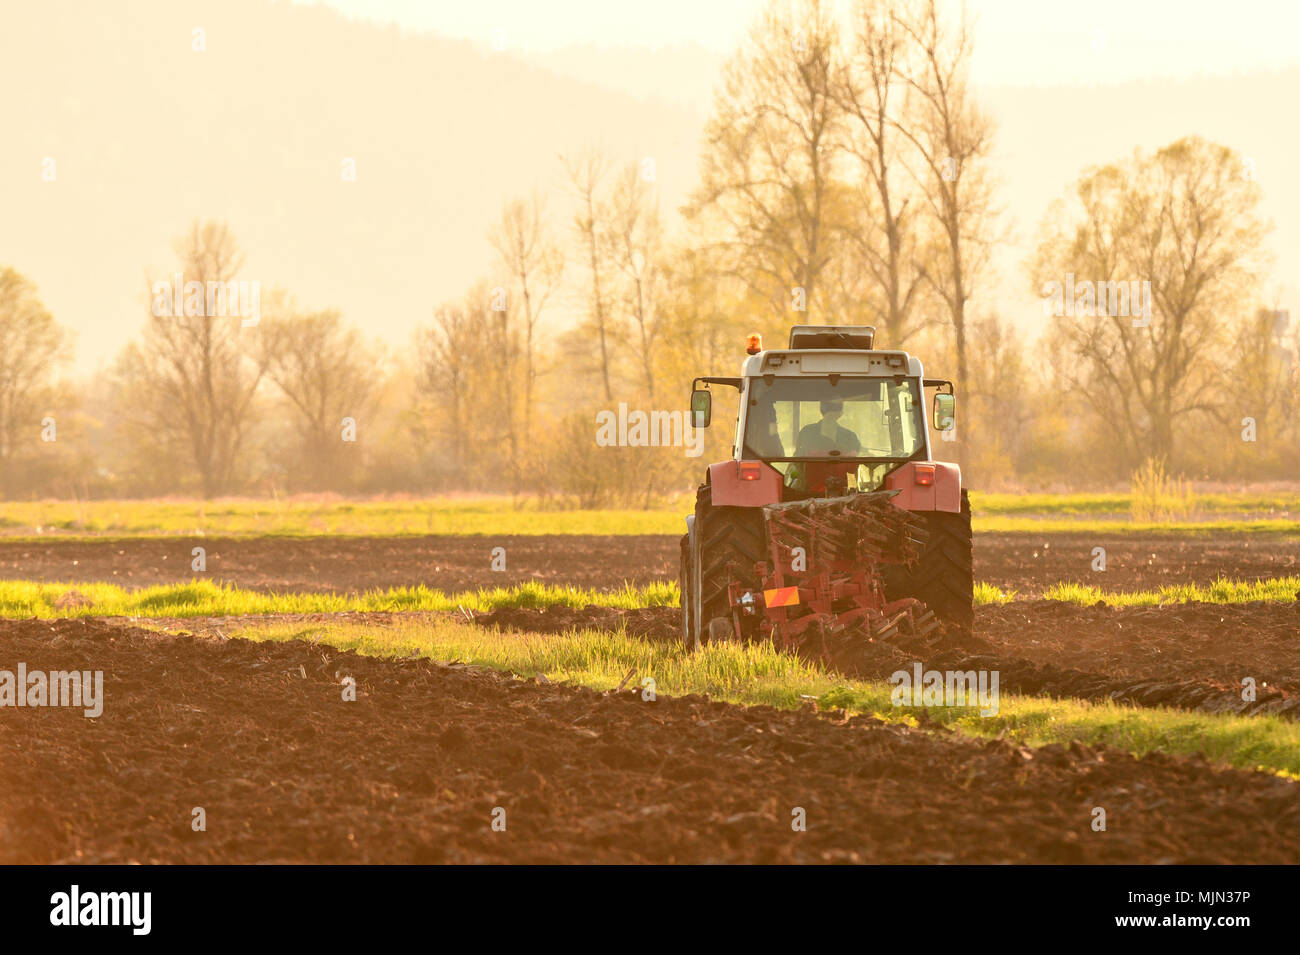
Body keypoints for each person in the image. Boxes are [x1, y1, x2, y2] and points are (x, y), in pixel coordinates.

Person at [795, 399, 861, 456]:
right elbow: (797, 463)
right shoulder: (807, 433)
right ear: (841, 413)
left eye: (836, 407)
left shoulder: (807, 432)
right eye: (830, 407)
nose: (831, 412)